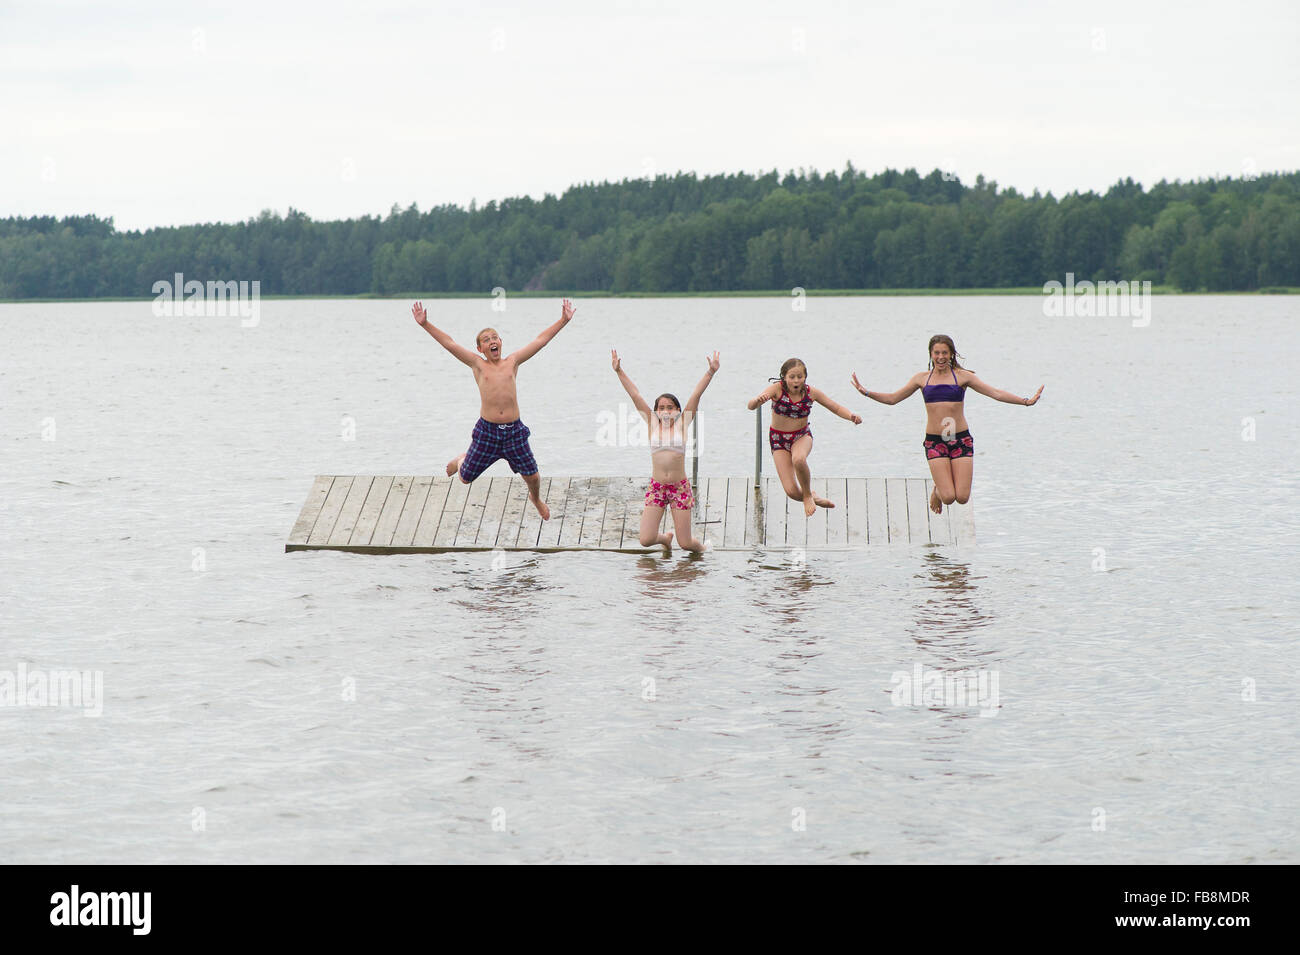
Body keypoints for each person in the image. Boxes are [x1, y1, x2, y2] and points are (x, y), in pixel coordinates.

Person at [411, 298, 577, 520]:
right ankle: (463, 458)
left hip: (513, 432)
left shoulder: (513, 362)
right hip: (488, 432)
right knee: (465, 478)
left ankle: (535, 499)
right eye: (486, 340)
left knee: (534, 477)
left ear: (501, 342)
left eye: (494, 338)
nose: (492, 342)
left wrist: (563, 320)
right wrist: (425, 324)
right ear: (480, 348)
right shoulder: (477, 364)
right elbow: (449, 343)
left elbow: (540, 341)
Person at [851, 334, 1043, 514]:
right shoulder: (921, 379)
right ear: (931, 354)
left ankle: (940, 486)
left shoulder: (962, 377)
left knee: (962, 497)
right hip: (935, 442)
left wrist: (1026, 401)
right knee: (949, 497)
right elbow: (893, 399)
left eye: (945, 353)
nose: (941, 357)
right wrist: (867, 392)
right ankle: (938, 491)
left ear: (951, 354)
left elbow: (996, 393)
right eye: (937, 353)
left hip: (960, 439)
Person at [611, 349, 719, 551]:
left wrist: (710, 372)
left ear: (678, 411)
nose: (666, 411)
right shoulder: (652, 424)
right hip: (657, 487)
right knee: (646, 540)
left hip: (679, 488)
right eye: (661, 408)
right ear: (656, 411)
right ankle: (665, 539)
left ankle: (703, 549)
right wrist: (619, 371)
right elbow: (635, 394)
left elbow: (696, 394)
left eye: (670, 407)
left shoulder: (683, 424)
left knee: (686, 544)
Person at [748, 358, 861, 517]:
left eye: (799, 376)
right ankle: (813, 497)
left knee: (799, 459)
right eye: (792, 377)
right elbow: (751, 406)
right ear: (784, 377)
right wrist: (756, 401)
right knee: (792, 492)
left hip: (801, 436)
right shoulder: (777, 389)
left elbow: (835, 407)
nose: (796, 380)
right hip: (778, 440)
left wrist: (851, 416)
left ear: (805, 377)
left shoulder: (811, 393)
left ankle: (807, 496)